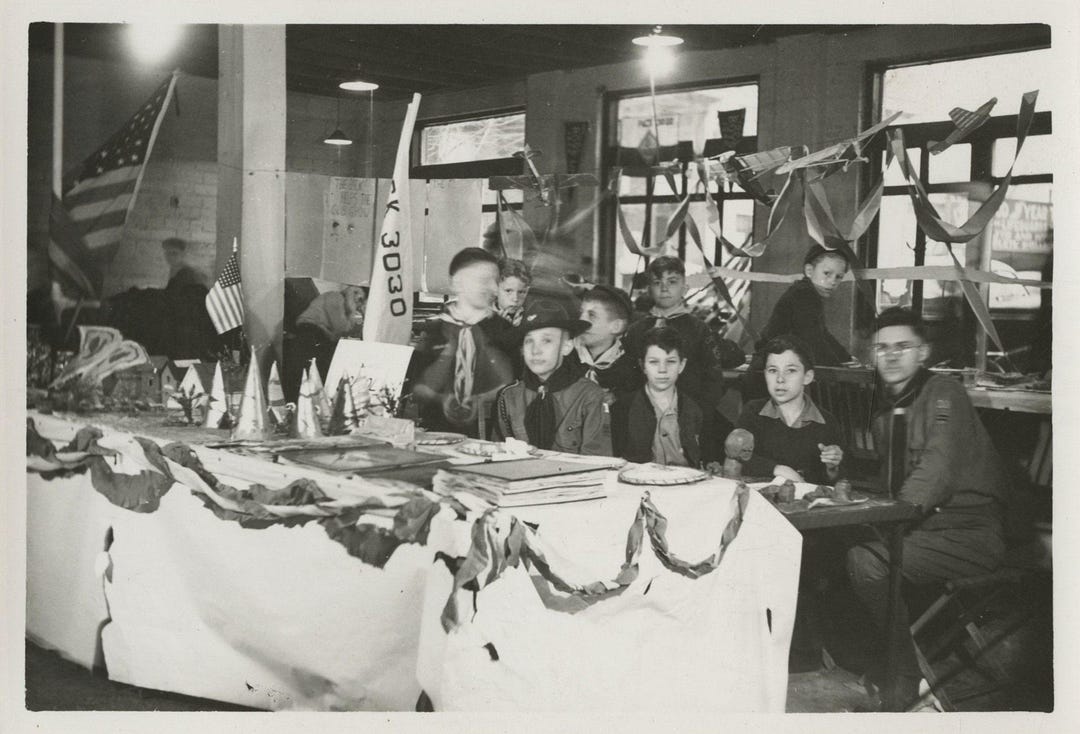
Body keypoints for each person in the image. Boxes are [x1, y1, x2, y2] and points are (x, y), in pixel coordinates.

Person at [846, 307, 1010, 710]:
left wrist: (886, 515)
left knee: (866, 562)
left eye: (903, 346)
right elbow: (894, 483)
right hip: (924, 531)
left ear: (923, 353)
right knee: (844, 545)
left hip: (970, 534)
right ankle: (891, 660)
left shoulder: (943, 394)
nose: (892, 355)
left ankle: (906, 679)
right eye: (882, 348)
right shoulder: (891, 408)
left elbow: (936, 468)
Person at [623, 256, 729, 447]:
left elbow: (713, 378)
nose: (664, 288)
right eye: (657, 283)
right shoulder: (636, 330)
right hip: (644, 414)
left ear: (685, 287)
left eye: (672, 282)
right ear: (649, 289)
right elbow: (628, 375)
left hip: (689, 414)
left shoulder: (699, 329)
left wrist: (701, 412)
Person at [410, 248, 516, 437]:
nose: (492, 288)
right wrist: (442, 399)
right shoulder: (434, 329)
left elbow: (515, 386)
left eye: (496, 280)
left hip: (491, 439)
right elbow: (416, 388)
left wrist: (481, 399)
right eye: (483, 280)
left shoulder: (506, 331)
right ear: (456, 282)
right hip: (437, 435)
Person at [492, 300, 610, 456]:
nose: (535, 350)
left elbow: (597, 461)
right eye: (529, 341)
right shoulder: (508, 397)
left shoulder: (589, 396)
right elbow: (499, 454)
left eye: (546, 340)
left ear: (566, 347)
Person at [744, 244, 854, 401]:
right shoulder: (804, 295)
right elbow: (813, 339)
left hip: (774, 372)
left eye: (839, 277)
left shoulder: (807, 293)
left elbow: (823, 334)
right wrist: (841, 369)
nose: (832, 281)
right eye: (827, 273)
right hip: (769, 375)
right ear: (809, 271)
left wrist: (846, 358)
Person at [734, 336, 844, 484]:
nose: (780, 379)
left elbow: (835, 480)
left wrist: (832, 468)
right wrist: (779, 469)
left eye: (790, 371)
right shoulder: (753, 412)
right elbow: (738, 458)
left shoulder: (827, 422)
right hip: (762, 500)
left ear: (807, 377)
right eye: (773, 370)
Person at [611, 326, 712, 467]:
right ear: (643, 366)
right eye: (654, 362)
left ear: (681, 365)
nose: (662, 370)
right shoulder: (622, 409)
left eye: (670, 362)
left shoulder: (695, 409)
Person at [566, 284, 641, 401]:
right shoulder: (566, 357)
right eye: (581, 313)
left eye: (592, 315)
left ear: (616, 326)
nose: (582, 320)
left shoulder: (629, 372)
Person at [495, 258, 531, 327]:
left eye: (521, 292)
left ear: (527, 291)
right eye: (508, 291)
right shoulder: (485, 317)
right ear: (496, 289)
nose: (515, 299)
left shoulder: (528, 317)